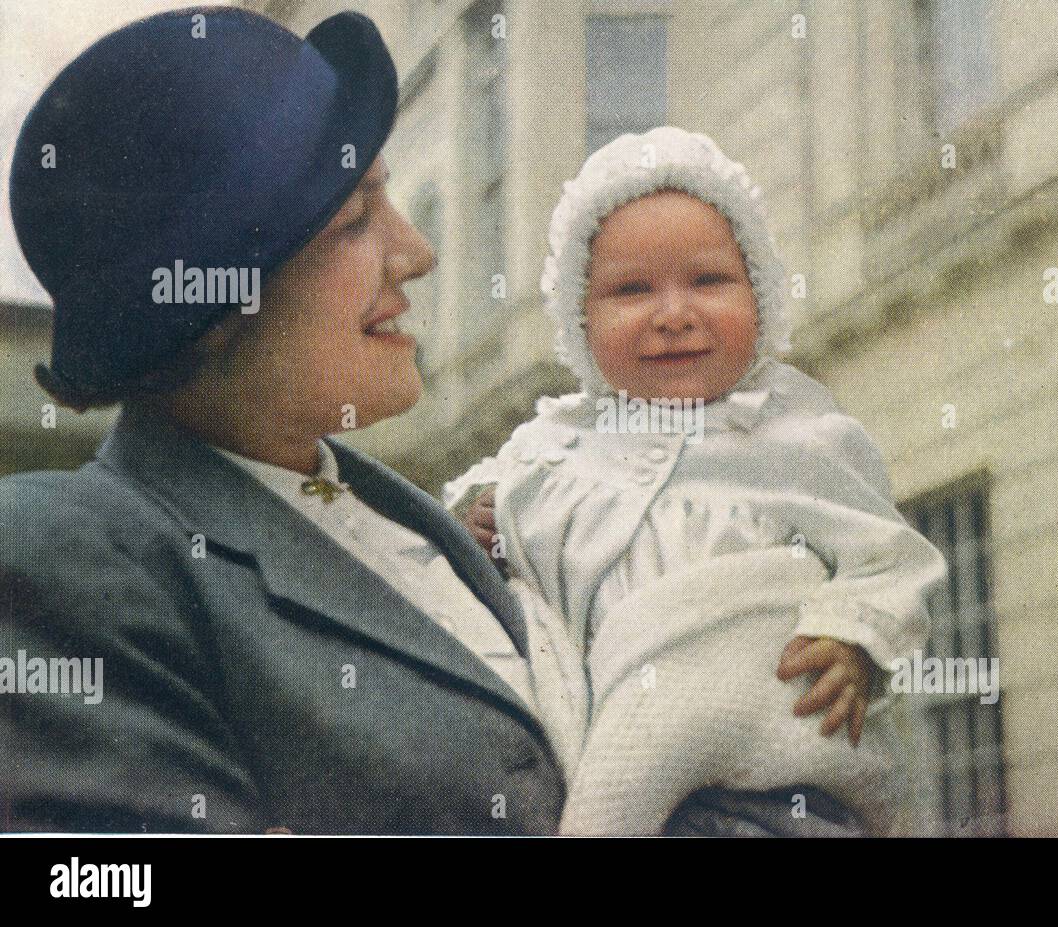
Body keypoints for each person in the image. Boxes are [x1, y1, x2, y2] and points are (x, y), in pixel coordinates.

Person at [0, 8, 854, 836]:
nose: (416, 251)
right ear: (222, 299)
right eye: (356, 219)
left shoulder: (436, 521)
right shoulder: (67, 552)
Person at [445, 127, 949, 835]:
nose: (674, 314)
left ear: (762, 294)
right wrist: (481, 536)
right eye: (631, 290)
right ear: (579, 321)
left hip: (775, 788)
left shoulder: (801, 437)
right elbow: (512, 595)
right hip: (601, 772)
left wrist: (855, 637)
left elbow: (891, 559)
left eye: (708, 281)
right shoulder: (549, 456)